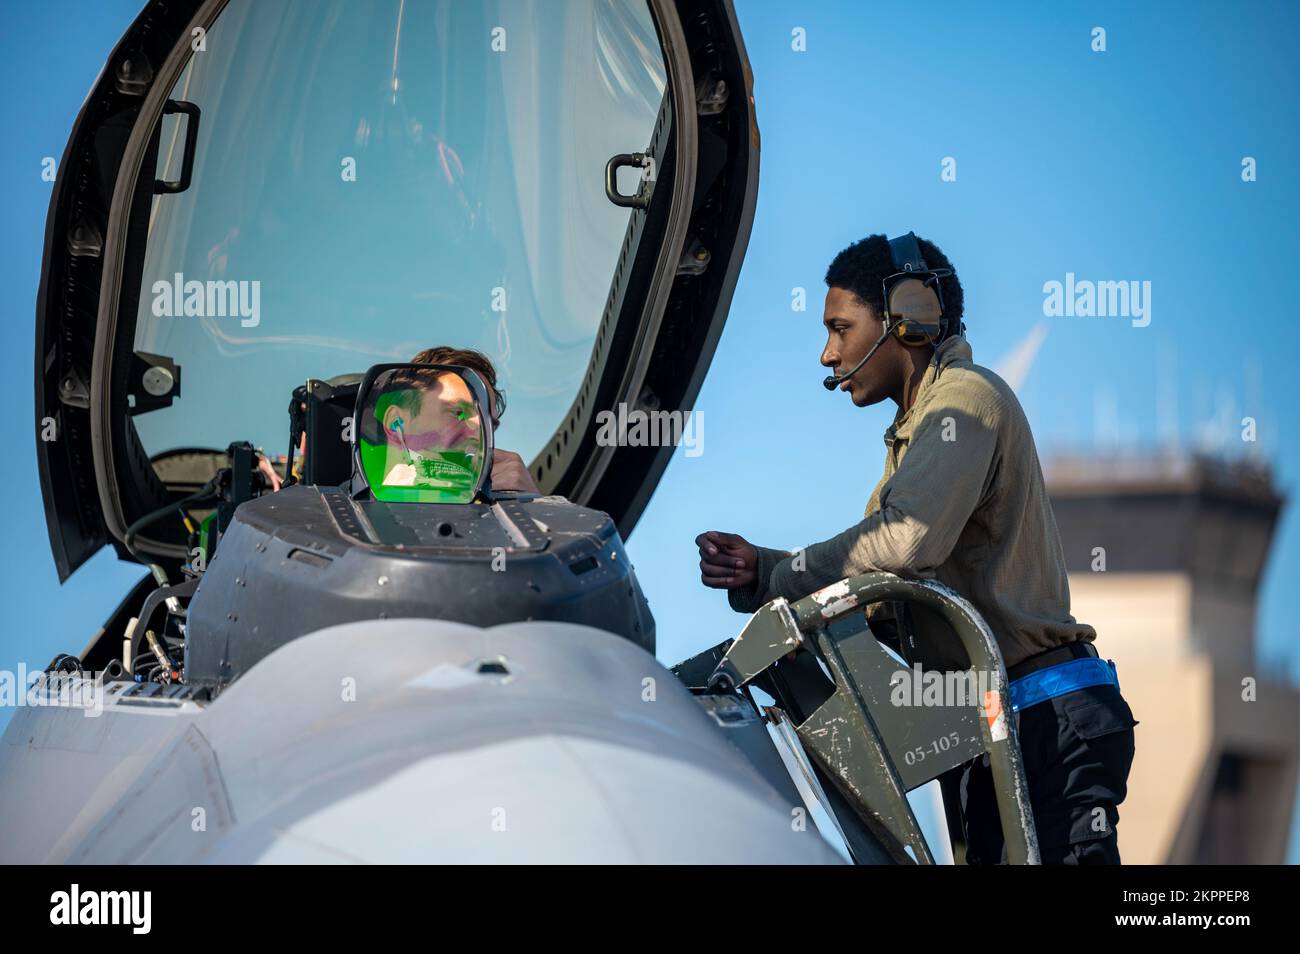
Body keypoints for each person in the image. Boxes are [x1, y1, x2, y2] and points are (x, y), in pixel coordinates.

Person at [695, 232, 1137, 865]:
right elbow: (885, 588)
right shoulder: (917, 430)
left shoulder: (965, 402)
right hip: (988, 724)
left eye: (840, 328)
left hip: (1042, 719)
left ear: (908, 318)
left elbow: (903, 544)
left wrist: (776, 572)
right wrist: (762, 571)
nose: (827, 354)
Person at [408, 346, 539, 494]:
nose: (480, 435)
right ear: (402, 421)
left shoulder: (498, 506)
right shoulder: (379, 506)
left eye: (489, 426)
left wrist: (533, 506)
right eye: (458, 413)